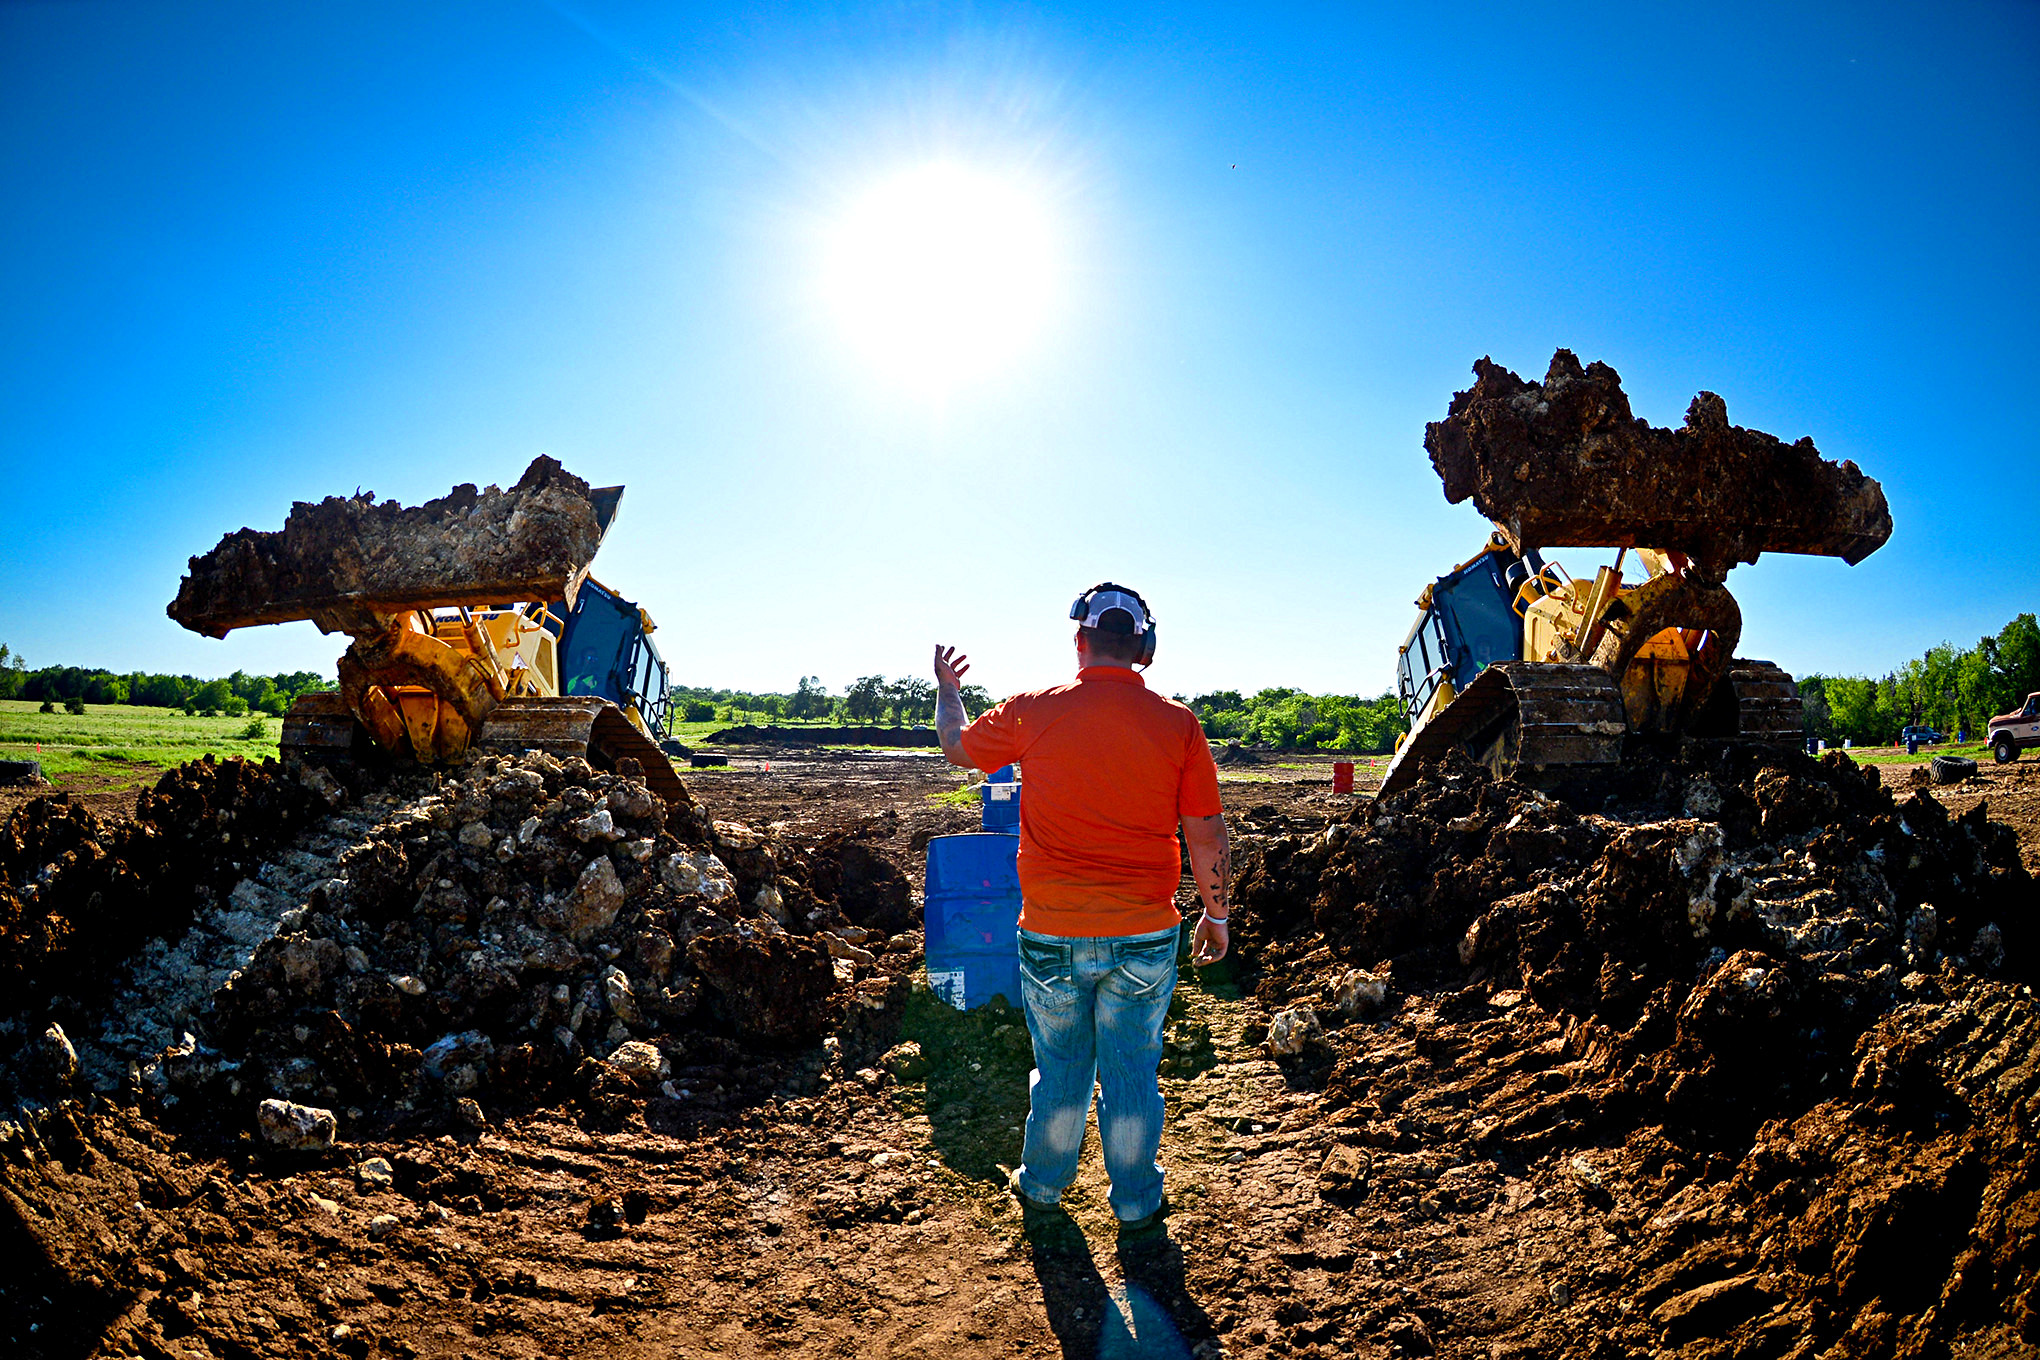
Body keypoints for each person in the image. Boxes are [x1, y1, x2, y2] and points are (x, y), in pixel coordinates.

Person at [932, 583, 1232, 1248]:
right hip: (1145, 934)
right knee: (1131, 1070)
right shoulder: (1178, 725)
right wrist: (1218, 915)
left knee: (1062, 1068)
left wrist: (947, 689)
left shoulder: (1032, 711)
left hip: (1050, 932)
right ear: (1144, 648)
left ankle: (1042, 1185)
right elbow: (1206, 832)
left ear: (1080, 642)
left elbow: (956, 747)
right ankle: (1133, 1202)